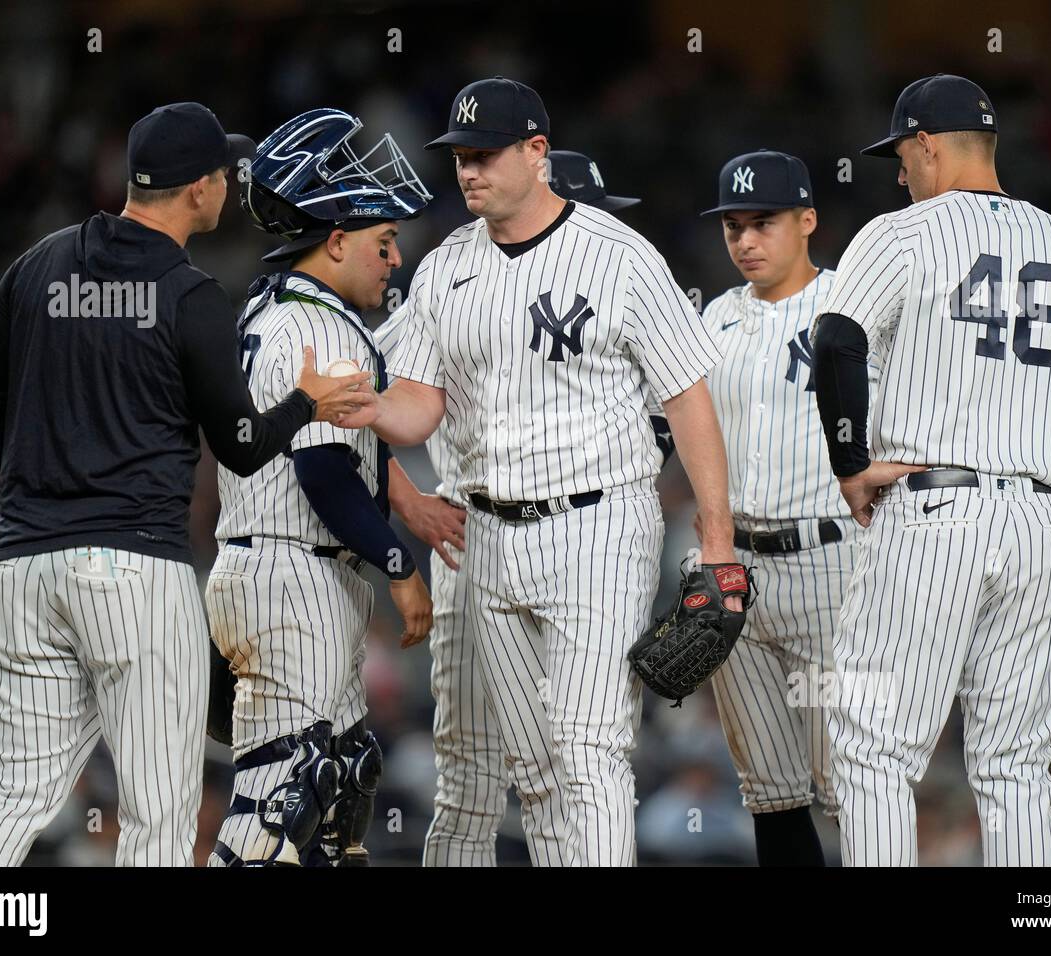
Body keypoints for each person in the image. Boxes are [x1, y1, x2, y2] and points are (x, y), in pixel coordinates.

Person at [340, 76, 743, 867]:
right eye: (459, 156)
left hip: (596, 523)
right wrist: (362, 408)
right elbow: (419, 406)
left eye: (485, 153)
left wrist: (717, 538)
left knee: (588, 750)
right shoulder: (447, 263)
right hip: (488, 534)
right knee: (535, 769)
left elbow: (688, 398)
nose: (468, 170)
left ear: (537, 152)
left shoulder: (618, 254)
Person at [0, 102, 365, 866]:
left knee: (12, 794)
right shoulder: (187, 292)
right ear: (199, 189)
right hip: (133, 574)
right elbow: (242, 447)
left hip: (21, 567)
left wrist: (44, 478)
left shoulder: (39, 263)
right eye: (224, 173)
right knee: (159, 813)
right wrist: (307, 402)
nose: (230, 185)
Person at [811, 74, 1051, 866]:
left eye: (901, 156)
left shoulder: (899, 235)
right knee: (1014, 766)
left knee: (873, 748)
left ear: (929, 146)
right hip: (1041, 524)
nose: (898, 175)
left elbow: (837, 342)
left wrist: (849, 463)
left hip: (934, 512)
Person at [372, 146, 660, 866]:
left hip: (579, 536)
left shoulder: (619, 304)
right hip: (470, 531)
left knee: (582, 759)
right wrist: (409, 503)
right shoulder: (461, 273)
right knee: (472, 769)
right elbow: (362, 403)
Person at [205, 108, 434, 867]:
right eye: (382, 242)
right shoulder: (319, 327)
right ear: (334, 241)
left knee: (337, 790)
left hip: (281, 569)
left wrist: (401, 504)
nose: (394, 258)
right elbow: (324, 468)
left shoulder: (274, 304)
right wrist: (399, 566)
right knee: (282, 798)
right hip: (290, 573)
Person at [699, 149, 860, 866]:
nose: (744, 241)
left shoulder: (852, 307)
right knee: (770, 787)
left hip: (834, 570)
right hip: (739, 575)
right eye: (733, 226)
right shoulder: (713, 318)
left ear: (807, 221)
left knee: (856, 780)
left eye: (762, 222)